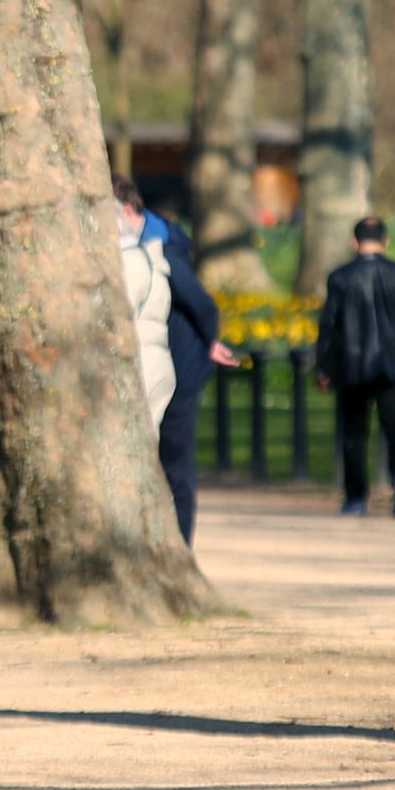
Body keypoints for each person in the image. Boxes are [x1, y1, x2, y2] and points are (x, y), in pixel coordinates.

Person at [115, 176, 235, 544]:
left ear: (130, 210)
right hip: (165, 360)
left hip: (178, 366)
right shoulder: (154, 244)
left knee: (174, 461)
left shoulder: (159, 248)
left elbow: (199, 303)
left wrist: (210, 340)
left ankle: (179, 544)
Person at [316, 216, 395, 518]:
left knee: (354, 431)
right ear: (386, 240)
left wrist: (324, 366)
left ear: (355, 242)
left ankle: (356, 497)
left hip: (352, 365)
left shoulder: (340, 278)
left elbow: (329, 325)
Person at [114, 190, 176, 431]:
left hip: (143, 361)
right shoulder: (148, 258)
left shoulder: (131, 262)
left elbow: (122, 316)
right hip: (155, 357)